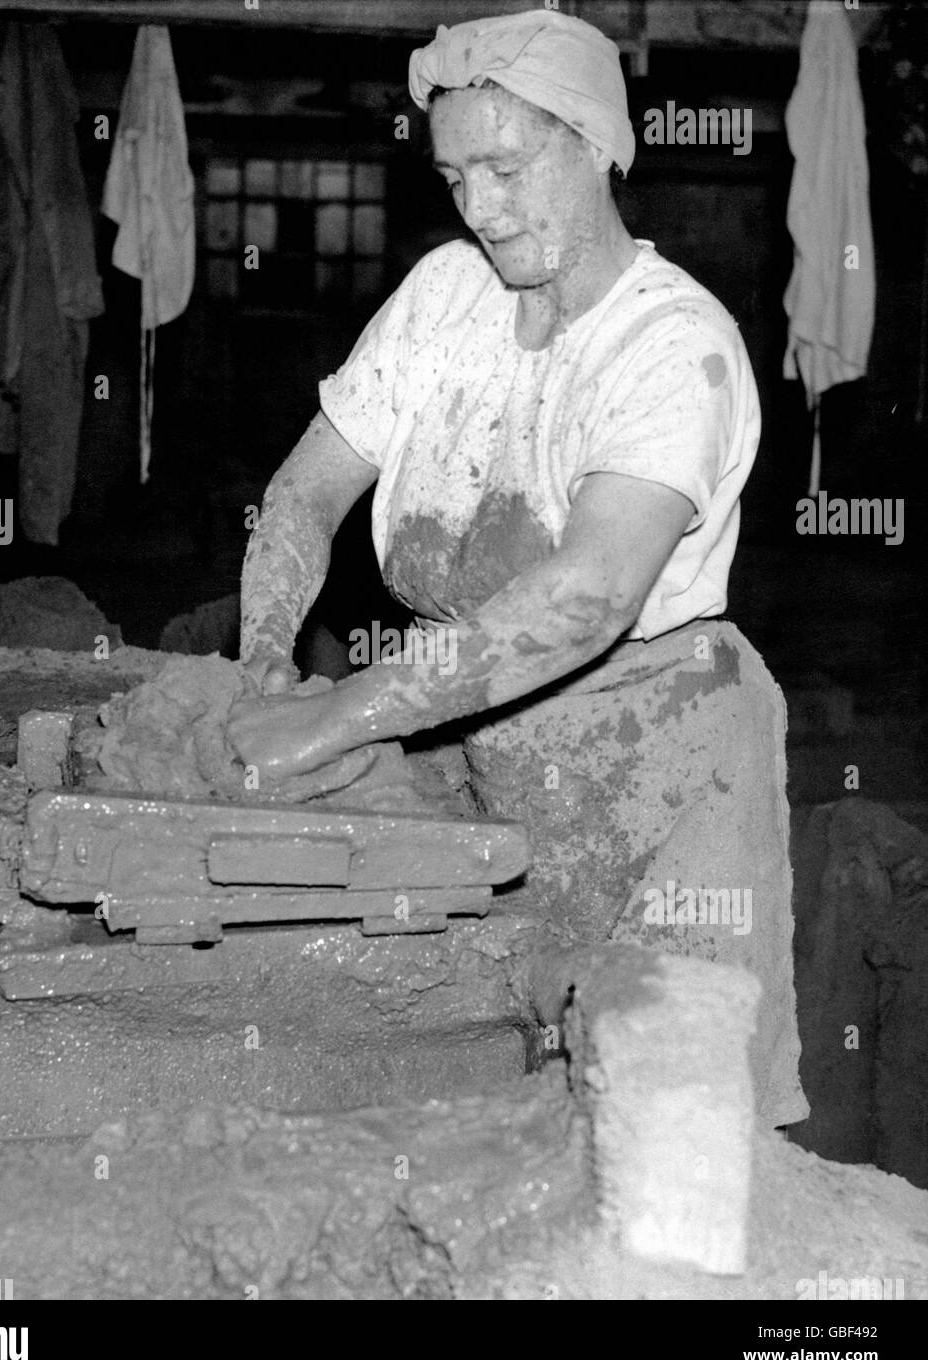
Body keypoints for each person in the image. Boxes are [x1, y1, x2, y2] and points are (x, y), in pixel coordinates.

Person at [227, 9, 808, 1127]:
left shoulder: (669, 346)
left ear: (596, 146)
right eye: (455, 177)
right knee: (517, 1116)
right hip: (481, 737)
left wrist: (346, 714)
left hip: (664, 770)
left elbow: (586, 596)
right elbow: (302, 494)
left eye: (506, 165)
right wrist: (264, 666)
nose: (481, 209)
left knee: (666, 1138)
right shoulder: (446, 297)